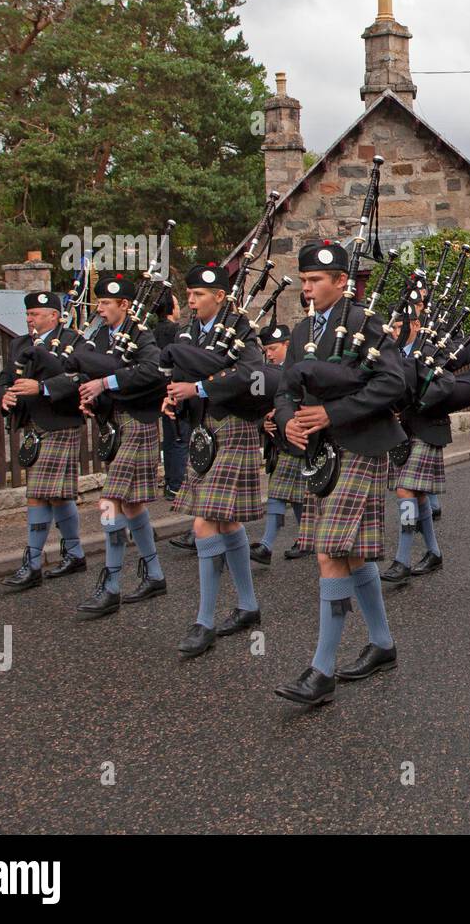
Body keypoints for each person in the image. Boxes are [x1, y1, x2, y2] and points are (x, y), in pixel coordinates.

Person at [272, 240, 408, 705]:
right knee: (350, 555)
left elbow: (394, 383)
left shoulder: (366, 325)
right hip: (320, 454)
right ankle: (383, 644)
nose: (307, 289)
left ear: (341, 283)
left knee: (329, 549)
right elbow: (284, 385)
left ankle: (321, 670)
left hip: (360, 446)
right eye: (304, 281)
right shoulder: (301, 330)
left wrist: (332, 414)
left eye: (315, 281)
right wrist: (289, 417)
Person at [47, 275, 168, 616]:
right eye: (98, 303)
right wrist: (91, 397)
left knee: (109, 502)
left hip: (137, 422)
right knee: (129, 506)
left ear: (125, 306)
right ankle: (155, 574)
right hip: (113, 423)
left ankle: (111, 584)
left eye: (105, 304)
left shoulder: (141, 336)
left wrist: (105, 381)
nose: (98, 309)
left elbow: (154, 372)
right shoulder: (98, 336)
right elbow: (82, 374)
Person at [164, 264, 265, 659]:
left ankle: (204, 622)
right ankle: (248, 606)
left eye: (199, 294)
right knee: (225, 521)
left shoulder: (241, 329)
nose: (190, 300)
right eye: (188, 294)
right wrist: (172, 395)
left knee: (204, 520)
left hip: (234, 425)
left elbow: (251, 375)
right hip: (203, 428)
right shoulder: (188, 332)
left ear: (220, 297)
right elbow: (178, 371)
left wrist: (200, 386)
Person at [379, 290, 470, 584]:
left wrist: (417, 403)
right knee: (417, 495)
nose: (396, 331)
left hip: (427, 427)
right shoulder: (390, 355)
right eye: (393, 326)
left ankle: (402, 558)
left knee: (406, 492)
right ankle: (433, 552)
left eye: (401, 326)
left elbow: (445, 384)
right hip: (400, 432)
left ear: (416, 326)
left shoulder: (433, 349)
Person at [0, 291, 88, 591]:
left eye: (35, 314)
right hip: (32, 427)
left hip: (61, 423)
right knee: (58, 495)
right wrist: (5, 395)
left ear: (54, 315)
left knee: (37, 493)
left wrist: (43, 387)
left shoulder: (76, 341)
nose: (29, 319)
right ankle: (75, 554)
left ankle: (32, 563)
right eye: (28, 314)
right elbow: (3, 379)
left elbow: (80, 380)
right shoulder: (18, 344)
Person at [251, 324, 307, 563]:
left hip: (301, 437)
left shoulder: (301, 367)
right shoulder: (263, 374)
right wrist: (264, 421)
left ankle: (274, 542)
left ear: (287, 345)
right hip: (279, 443)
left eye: (273, 348)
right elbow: (254, 405)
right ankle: (291, 541)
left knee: (290, 493)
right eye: (266, 350)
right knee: (285, 492)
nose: (269, 354)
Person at [152, 293, 189, 499]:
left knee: (169, 438)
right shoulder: (177, 332)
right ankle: (178, 484)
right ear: (170, 309)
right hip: (177, 389)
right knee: (181, 438)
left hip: (162, 391)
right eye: (176, 304)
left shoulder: (152, 332)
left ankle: (170, 482)